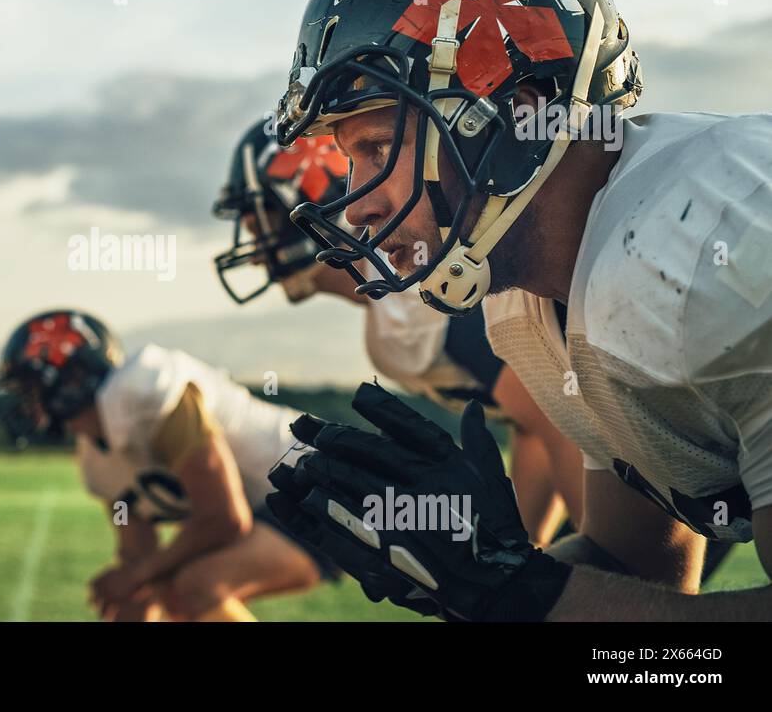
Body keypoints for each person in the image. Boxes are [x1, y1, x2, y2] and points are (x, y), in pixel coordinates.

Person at [266, 0, 763, 620]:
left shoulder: (716, 244)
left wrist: (517, 593)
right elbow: (640, 569)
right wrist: (466, 578)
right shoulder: (527, 298)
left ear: (511, 124)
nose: (355, 207)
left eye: (378, 146)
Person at [213, 119, 582, 544]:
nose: (257, 253)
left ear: (314, 203)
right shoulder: (391, 310)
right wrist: (518, 549)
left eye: (262, 224)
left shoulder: (411, 297)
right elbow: (534, 423)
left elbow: (560, 420)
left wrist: (606, 550)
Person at [0, 310, 337, 621]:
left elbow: (223, 519)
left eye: (30, 387)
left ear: (72, 379)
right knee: (166, 590)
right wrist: (132, 592)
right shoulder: (96, 463)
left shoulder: (144, 392)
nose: (26, 401)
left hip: (322, 485)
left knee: (198, 585)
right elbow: (141, 562)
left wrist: (135, 576)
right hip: (278, 504)